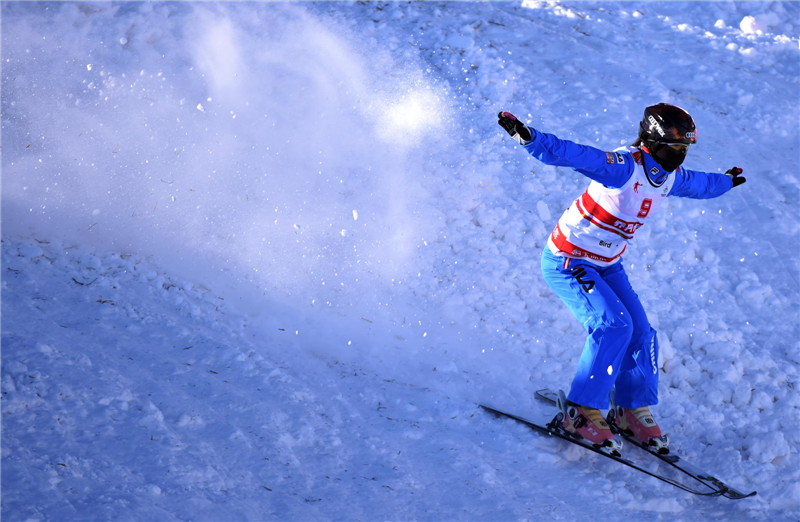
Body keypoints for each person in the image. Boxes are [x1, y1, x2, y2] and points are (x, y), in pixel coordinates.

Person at [497, 104, 745, 455]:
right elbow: (574, 154)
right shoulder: (624, 167)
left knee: (641, 332)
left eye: (684, 151)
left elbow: (700, 184)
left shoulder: (669, 176)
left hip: (608, 264)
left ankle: (629, 411)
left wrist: (726, 182)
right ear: (649, 143)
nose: (677, 158)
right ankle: (580, 413)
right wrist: (529, 138)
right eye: (672, 150)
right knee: (613, 325)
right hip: (569, 260)